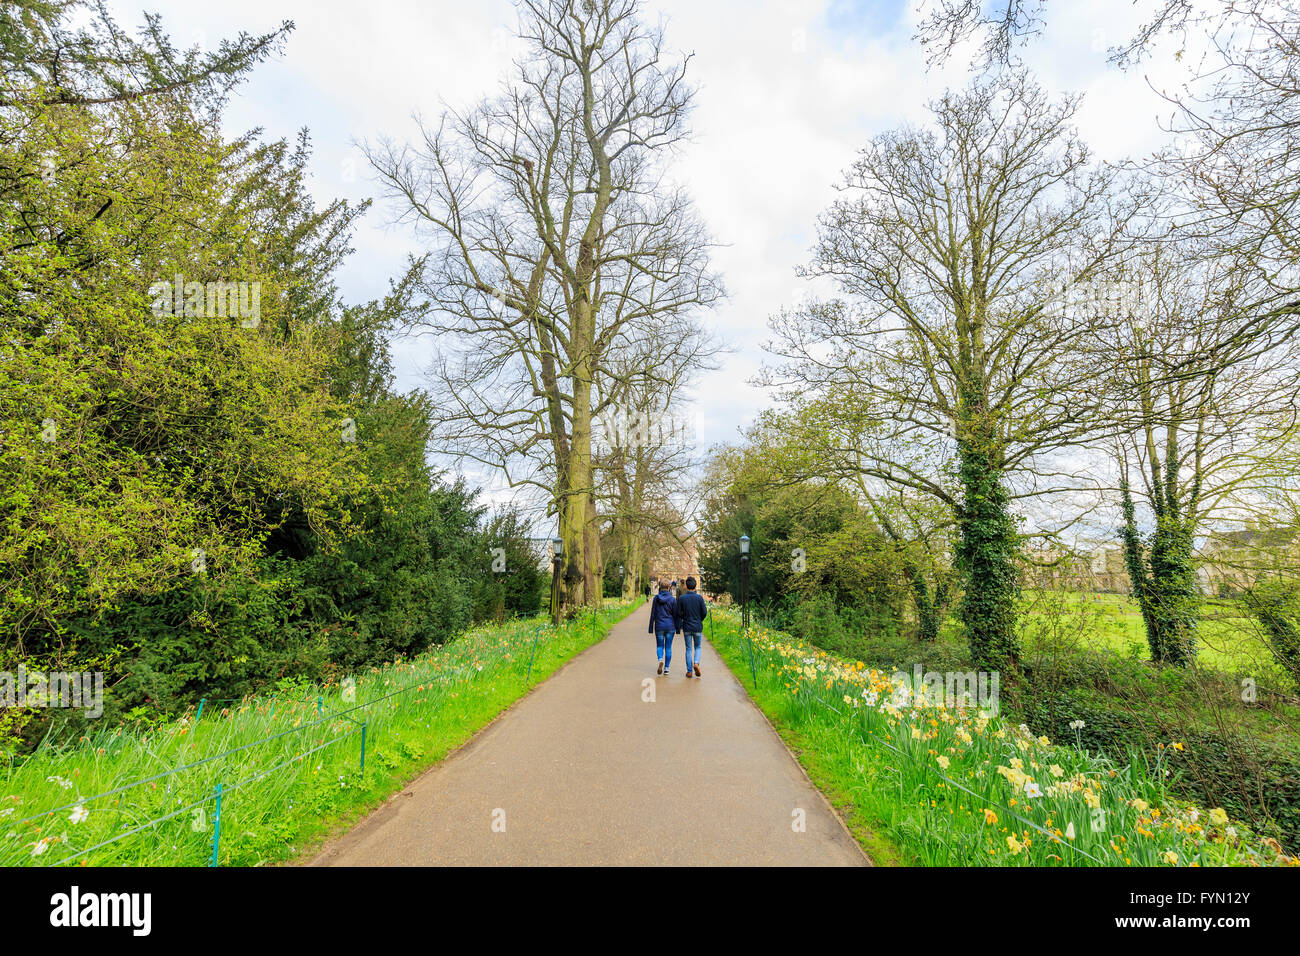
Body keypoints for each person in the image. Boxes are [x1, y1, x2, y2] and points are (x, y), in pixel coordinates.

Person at [676, 576, 708, 678]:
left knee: (688, 648)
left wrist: (684, 618)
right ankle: (696, 663)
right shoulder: (699, 598)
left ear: (686, 586)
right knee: (698, 647)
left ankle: (689, 671)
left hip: (687, 626)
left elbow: (679, 613)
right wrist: (699, 620)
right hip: (697, 626)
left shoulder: (682, 598)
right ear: (695, 585)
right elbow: (704, 612)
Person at [647, 579, 679, 675]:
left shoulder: (656, 599)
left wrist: (650, 628)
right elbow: (675, 615)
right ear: (669, 587)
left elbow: (653, 613)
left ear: (660, 587)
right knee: (668, 647)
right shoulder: (672, 599)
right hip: (670, 626)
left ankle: (660, 659)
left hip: (659, 626)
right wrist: (677, 628)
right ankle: (666, 668)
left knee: (660, 645)